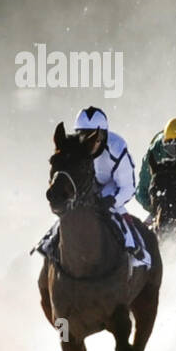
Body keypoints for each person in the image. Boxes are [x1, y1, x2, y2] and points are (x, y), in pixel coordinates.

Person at [35, 106, 144, 262]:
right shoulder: (73, 147)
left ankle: (133, 247)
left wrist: (112, 200)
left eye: (96, 137)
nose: (90, 142)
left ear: (105, 136)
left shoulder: (117, 148)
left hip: (111, 186)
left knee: (113, 211)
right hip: (86, 185)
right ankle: (50, 240)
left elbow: (128, 186)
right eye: (84, 135)